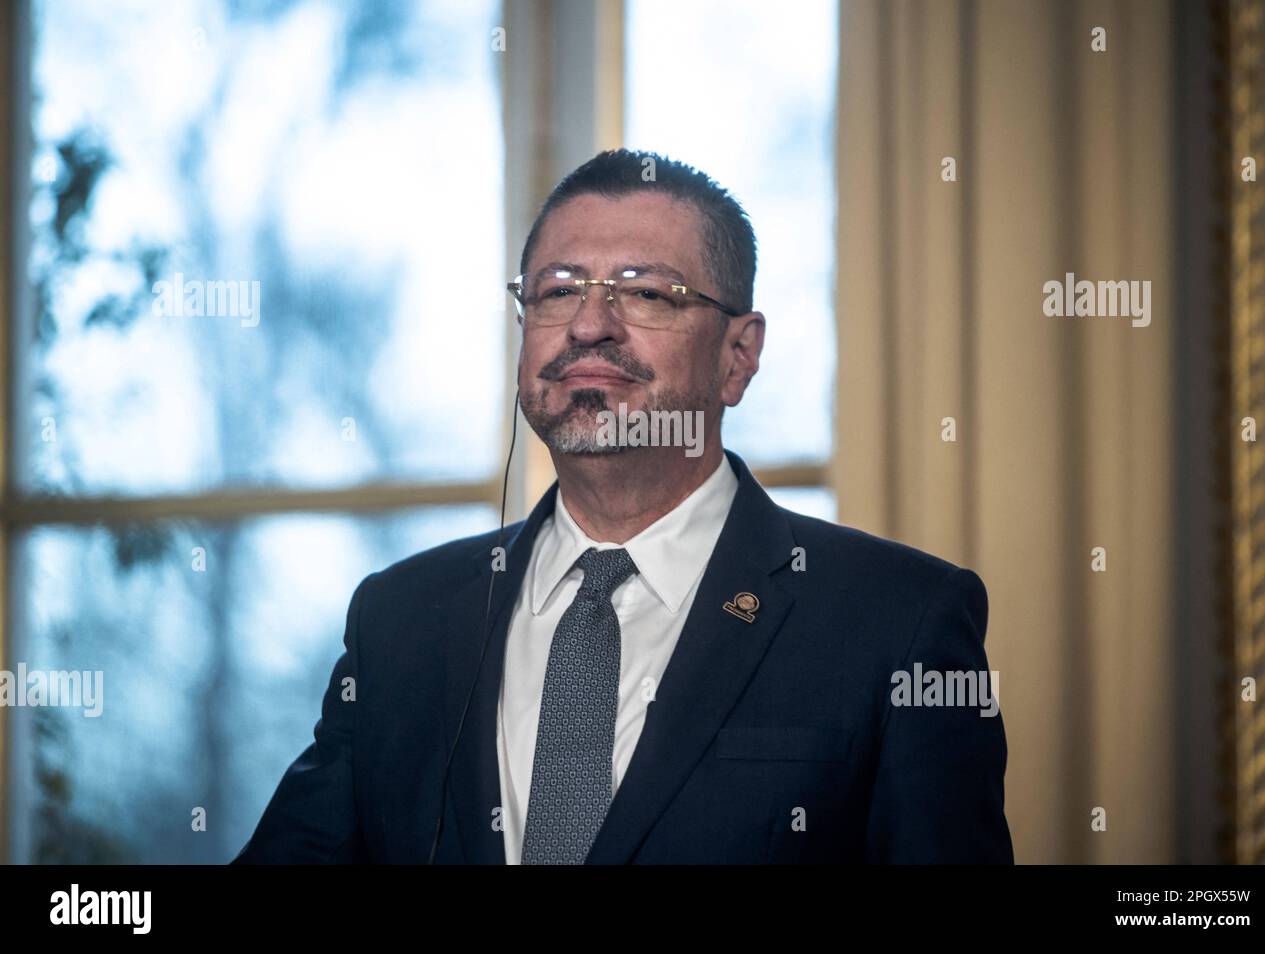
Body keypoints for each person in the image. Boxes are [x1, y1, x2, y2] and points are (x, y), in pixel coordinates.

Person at [233, 149, 1013, 864]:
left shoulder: (898, 621)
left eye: (644, 293)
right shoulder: (400, 620)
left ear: (738, 357)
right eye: (557, 291)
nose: (588, 324)